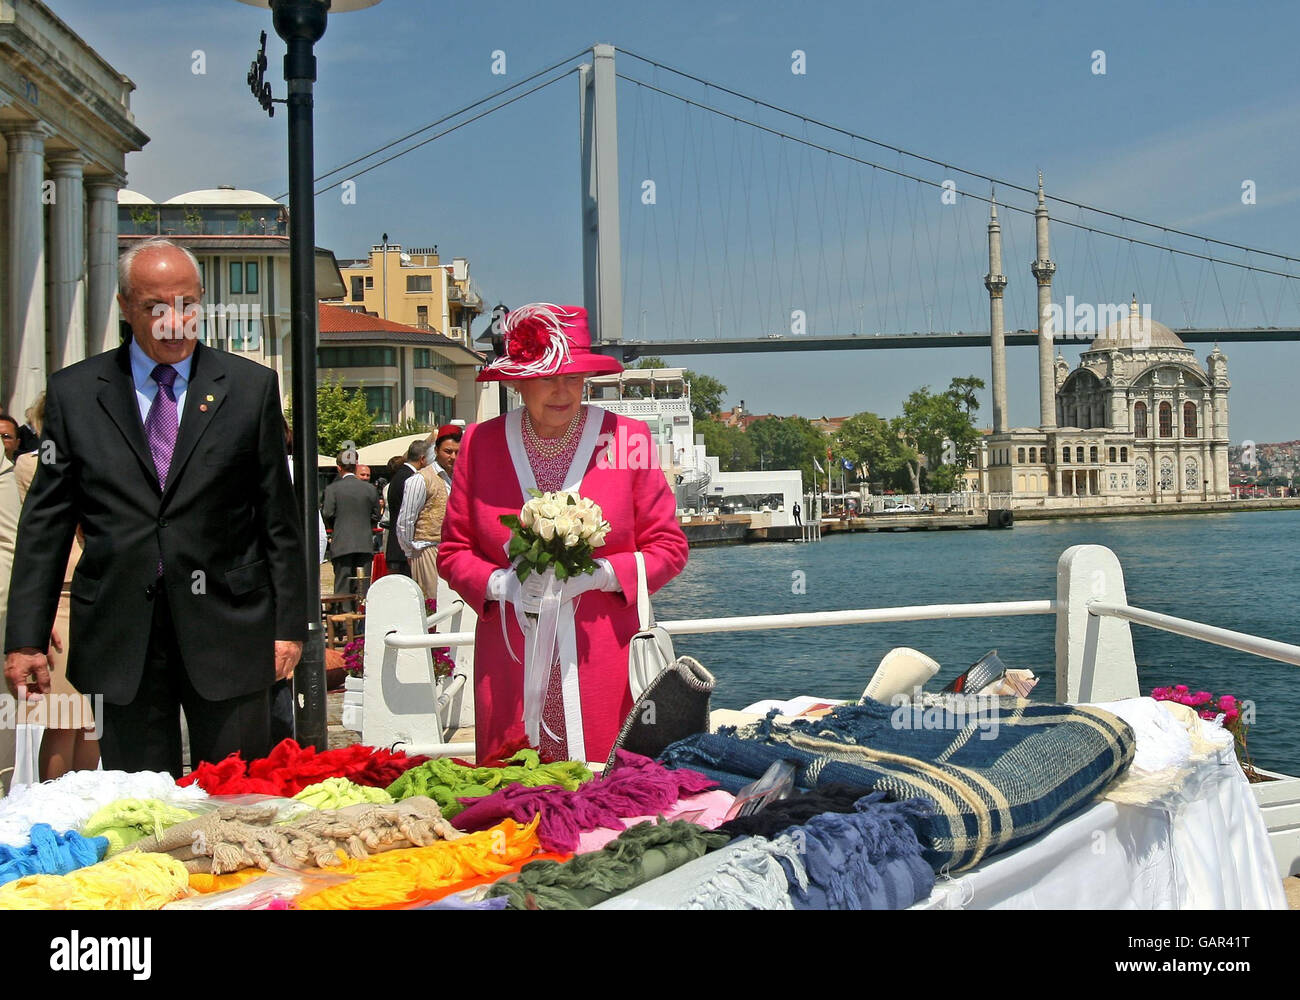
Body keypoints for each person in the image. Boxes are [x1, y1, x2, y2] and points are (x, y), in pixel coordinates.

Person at [3, 238, 306, 777]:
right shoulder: (76, 393)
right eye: (155, 307)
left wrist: (289, 626)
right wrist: (25, 638)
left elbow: (277, 520)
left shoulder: (249, 387)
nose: (174, 321)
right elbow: (45, 526)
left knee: (237, 799)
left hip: (230, 631)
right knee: (140, 807)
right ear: (125, 306)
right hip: (122, 636)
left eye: (187, 304)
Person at [439, 303, 689, 765]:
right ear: (517, 382)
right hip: (511, 662)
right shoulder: (479, 443)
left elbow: (669, 548)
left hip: (603, 662)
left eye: (574, 377)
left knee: (605, 798)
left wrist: (601, 575)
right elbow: (454, 552)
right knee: (513, 800)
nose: (563, 390)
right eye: (548, 377)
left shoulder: (626, 439)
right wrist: (503, 585)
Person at [14, 426, 100, 780]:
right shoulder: (30, 464)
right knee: (64, 719)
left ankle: (84, 807)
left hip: (103, 594)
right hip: (60, 598)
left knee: (94, 719)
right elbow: (34, 534)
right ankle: (54, 810)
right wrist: (37, 615)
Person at [396, 424, 459, 600]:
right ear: (437, 450)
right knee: (431, 601)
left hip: (452, 549)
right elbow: (405, 521)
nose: (453, 457)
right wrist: (411, 552)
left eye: (457, 452)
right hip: (427, 549)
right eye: (448, 451)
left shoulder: (458, 478)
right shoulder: (420, 479)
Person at [322, 449, 380, 595]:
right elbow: (376, 515)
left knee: (342, 586)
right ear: (356, 465)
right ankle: (361, 616)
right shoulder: (370, 489)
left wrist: (337, 526)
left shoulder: (332, 489)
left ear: (339, 467)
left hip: (341, 543)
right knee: (362, 586)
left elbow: (327, 513)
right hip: (364, 543)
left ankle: (343, 614)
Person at [383, 441, 427, 579]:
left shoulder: (399, 475)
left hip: (396, 547)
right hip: (404, 550)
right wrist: (409, 550)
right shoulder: (410, 478)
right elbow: (407, 517)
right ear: (422, 459)